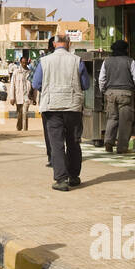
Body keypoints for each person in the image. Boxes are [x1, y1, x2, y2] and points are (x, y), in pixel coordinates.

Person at [33, 35, 90, 190]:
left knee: (56, 143)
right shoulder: (77, 61)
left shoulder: (44, 61)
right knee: (73, 142)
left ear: (54, 43)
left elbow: (36, 83)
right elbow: (85, 85)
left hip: (52, 108)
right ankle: (73, 176)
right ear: (69, 44)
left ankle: (61, 180)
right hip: (73, 107)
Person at [100, 39, 135, 153]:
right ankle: (122, 147)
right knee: (125, 121)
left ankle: (108, 141)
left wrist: (104, 91)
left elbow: (101, 79)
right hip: (126, 93)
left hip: (110, 93)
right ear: (126, 49)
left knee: (112, 118)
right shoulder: (130, 61)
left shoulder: (106, 61)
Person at [8, 55, 33, 131]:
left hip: (27, 96)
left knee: (25, 113)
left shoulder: (30, 72)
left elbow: (33, 86)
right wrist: (12, 97)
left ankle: (25, 130)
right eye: (23, 63)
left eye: (25, 63)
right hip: (18, 96)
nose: (24, 64)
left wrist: (34, 98)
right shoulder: (16, 72)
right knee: (19, 114)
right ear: (20, 63)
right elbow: (12, 85)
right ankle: (19, 128)